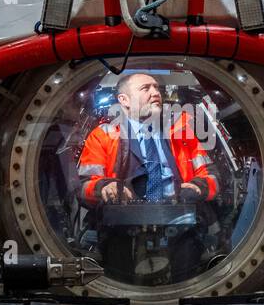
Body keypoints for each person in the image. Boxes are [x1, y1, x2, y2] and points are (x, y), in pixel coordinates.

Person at [77, 72, 218, 206]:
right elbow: (83, 185)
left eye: (156, 87)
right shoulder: (103, 135)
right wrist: (104, 187)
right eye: (145, 88)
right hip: (123, 220)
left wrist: (198, 187)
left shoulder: (181, 133)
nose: (156, 93)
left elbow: (211, 176)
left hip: (179, 216)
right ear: (124, 100)